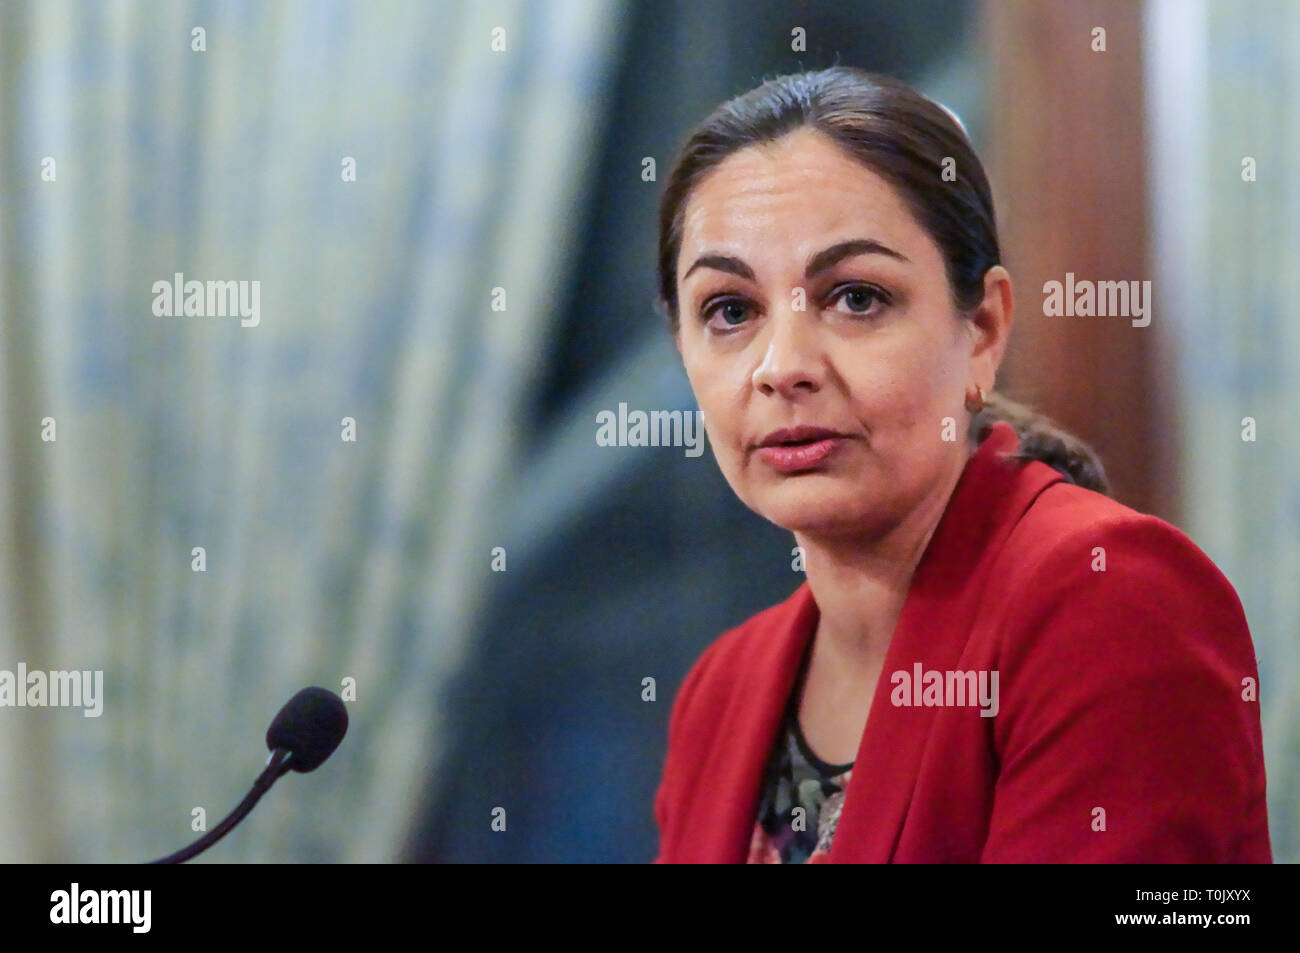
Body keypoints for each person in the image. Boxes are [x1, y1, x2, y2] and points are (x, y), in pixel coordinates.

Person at [650, 66, 1271, 863]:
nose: (783, 366)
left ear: (981, 329)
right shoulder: (721, 690)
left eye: (856, 297)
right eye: (730, 310)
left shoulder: (1110, 599)